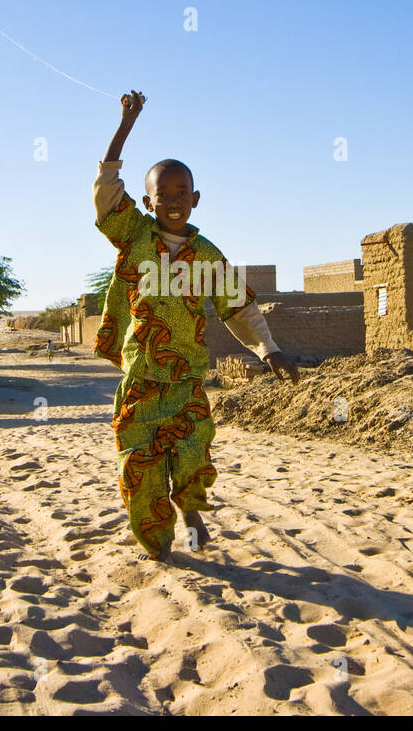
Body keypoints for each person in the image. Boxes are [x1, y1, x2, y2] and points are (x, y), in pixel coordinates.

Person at [93, 89, 299, 561]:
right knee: (140, 465)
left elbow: (238, 308)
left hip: (186, 377)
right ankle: (157, 543)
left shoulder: (206, 255)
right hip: (142, 377)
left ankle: (190, 510)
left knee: (191, 453)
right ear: (148, 202)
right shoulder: (133, 234)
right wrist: (125, 125)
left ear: (196, 199)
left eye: (181, 193)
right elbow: (106, 186)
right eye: (162, 194)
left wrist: (269, 350)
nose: (173, 201)